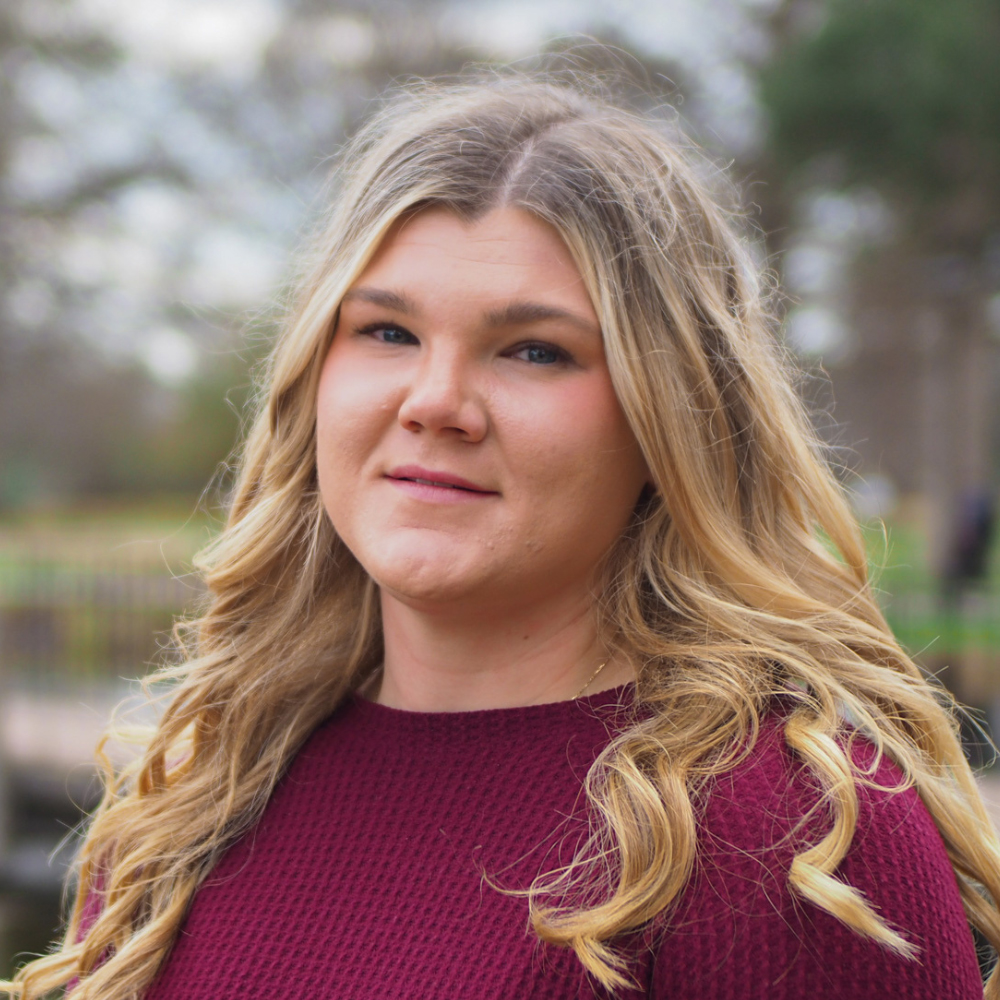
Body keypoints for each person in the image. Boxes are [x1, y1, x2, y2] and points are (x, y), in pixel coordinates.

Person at [4, 74, 999, 1000]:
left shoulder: (791, 839)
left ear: (669, 418)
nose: (435, 402)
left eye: (533, 350)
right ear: (311, 377)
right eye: (386, 332)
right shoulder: (196, 795)